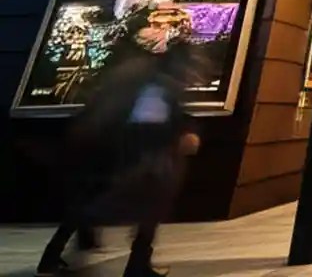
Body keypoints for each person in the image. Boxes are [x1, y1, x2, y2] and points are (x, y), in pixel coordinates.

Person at [36, 42, 200, 277]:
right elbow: (148, 121)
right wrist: (178, 137)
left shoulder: (135, 79)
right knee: (143, 208)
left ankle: (54, 256)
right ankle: (135, 265)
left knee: (99, 206)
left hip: (109, 152)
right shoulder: (159, 84)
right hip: (137, 157)